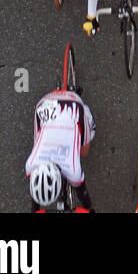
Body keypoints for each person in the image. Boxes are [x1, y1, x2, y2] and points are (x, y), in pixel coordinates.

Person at [26, 80, 95, 212]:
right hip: (44, 104)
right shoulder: (30, 165)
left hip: (74, 106)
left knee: (84, 151)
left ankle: (84, 109)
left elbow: (84, 196)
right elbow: (37, 187)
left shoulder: (72, 170)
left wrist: (90, 208)